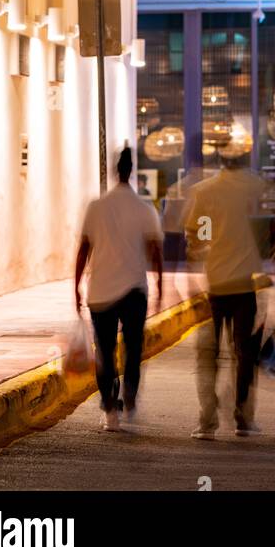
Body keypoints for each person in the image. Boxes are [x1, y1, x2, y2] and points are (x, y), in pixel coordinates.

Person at [182, 129, 266, 440]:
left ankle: (207, 420)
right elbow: (271, 225)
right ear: (243, 158)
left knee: (208, 354)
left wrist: (207, 248)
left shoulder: (204, 191)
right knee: (245, 352)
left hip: (215, 283)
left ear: (219, 159)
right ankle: (243, 418)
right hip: (245, 283)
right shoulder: (255, 185)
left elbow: (195, 236)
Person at [75, 146, 163, 432]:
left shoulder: (96, 207)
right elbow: (156, 251)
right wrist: (161, 284)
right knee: (133, 349)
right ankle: (130, 396)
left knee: (105, 350)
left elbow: (83, 249)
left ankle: (110, 409)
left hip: (100, 292)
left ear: (115, 170)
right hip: (135, 290)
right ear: (132, 171)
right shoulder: (144, 208)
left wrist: (75, 285)